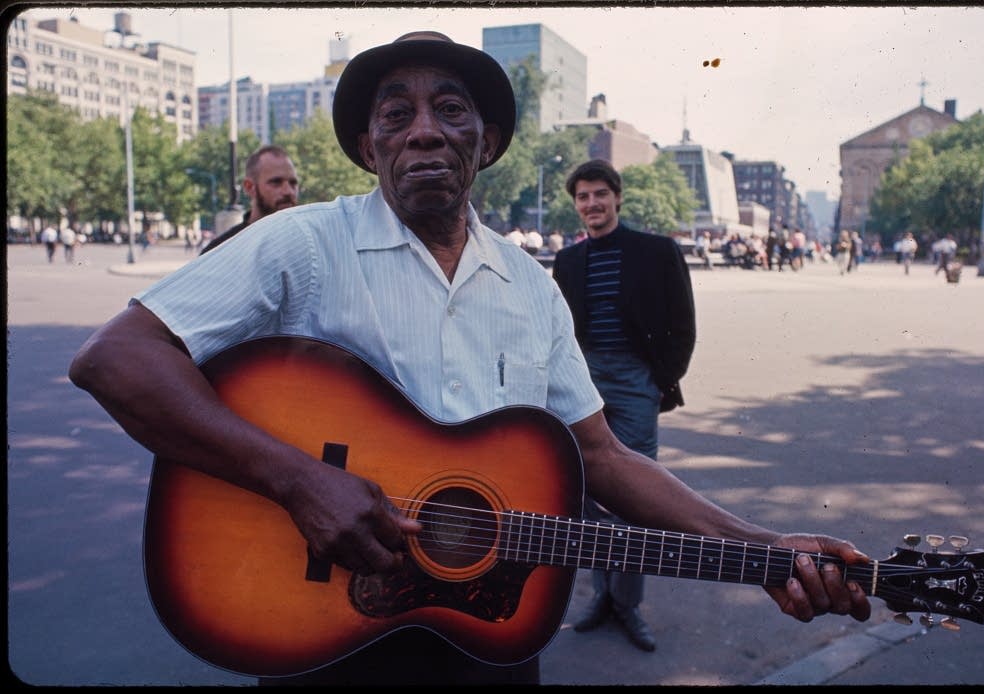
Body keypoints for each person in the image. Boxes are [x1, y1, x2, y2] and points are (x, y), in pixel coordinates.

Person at [68, 31, 869, 687]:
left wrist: (763, 551)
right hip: (317, 633)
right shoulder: (301, 243)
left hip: (490, 644)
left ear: (484, 143)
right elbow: (117, 360)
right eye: (396, 113)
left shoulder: (530, 285)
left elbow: (602, 456)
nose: (423, 128)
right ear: (364, 143)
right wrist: (299, 479)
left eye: (449, 109)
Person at [552, 159, 696, 652]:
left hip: (636, 379)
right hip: (584, 379)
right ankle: (602, 597)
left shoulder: (656, 252)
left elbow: (683, 323)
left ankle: (627, 605)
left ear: (617, 197)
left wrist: (660, 381)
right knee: (590, 493)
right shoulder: (569, 262)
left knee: (636, 497)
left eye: (599, 194)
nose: (591, 204)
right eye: (582, 197)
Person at [200, 145, 299, 255]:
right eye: (276, 182)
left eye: (293, 183)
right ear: (249, 187)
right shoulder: (217, 252)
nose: (288, 191)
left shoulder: (311, 243)